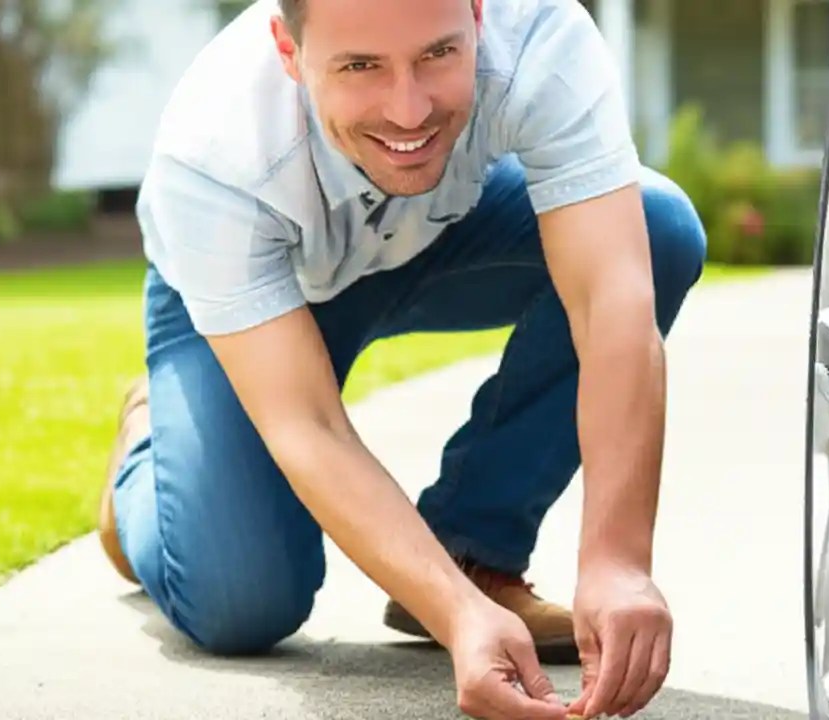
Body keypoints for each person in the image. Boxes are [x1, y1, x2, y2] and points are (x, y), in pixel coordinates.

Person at [97, 0, 706, 717]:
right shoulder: (214, 151)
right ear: (289, 52)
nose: (409, 109)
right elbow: (308, 426)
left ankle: (473, 552)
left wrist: (618, 562)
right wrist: (458, 621)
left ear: (478, 15)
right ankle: (149, 450)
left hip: (442, 235)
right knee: (240, 606)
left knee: (656, 227)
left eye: (437, 57)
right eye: (360, 67)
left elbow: (613, 302)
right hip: (260, 293)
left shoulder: (540, 36)